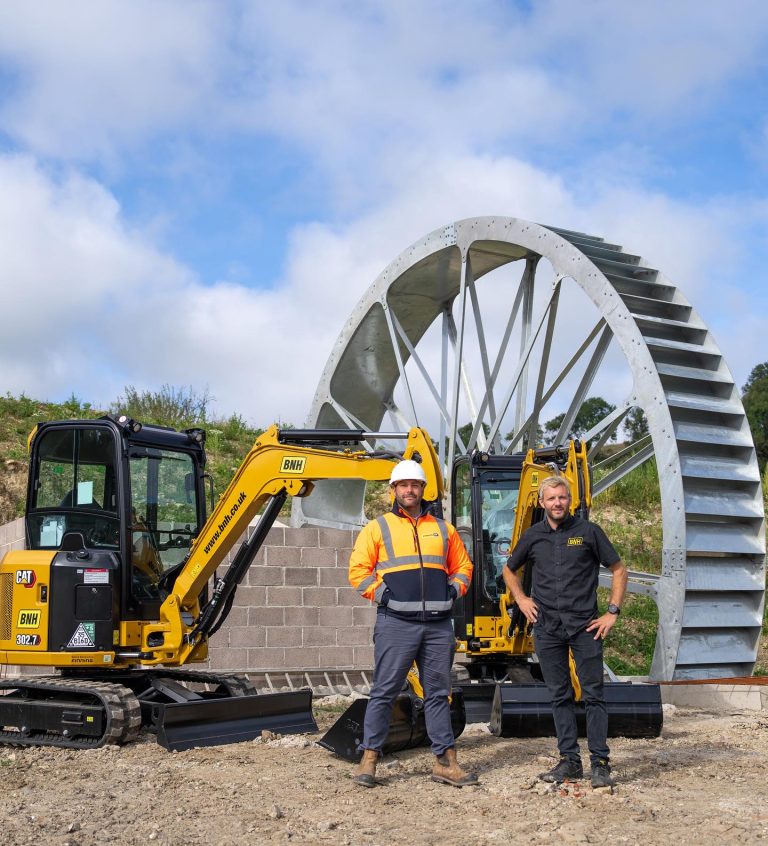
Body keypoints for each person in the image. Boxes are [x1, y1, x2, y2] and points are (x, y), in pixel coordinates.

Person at [348, 458, 478, 789]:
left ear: (423, 489)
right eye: (403, 485)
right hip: (396, 624)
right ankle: (369, 760)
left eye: (415, 485)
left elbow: (463, 567)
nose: (409, 489)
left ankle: (445, 763)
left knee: (438, 693)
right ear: (394, 489)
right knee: (384, 691)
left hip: (437, 627)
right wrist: (387, 598)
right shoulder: (378, 528)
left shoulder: (444, 529)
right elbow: (358, 572)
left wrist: (452, 591)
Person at [502, 475, 628, 789]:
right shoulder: (533, 536)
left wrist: (612, 613)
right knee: (559, 696)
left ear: (568, 500)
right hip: (547, 629)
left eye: (562, 497)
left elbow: (619, 569)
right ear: (542, 503)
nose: (557, 503)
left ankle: (600, 763)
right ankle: (569, 761)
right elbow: (509, 569)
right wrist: (521, 598)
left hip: (586, 627)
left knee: (594, 696)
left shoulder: (589, 532)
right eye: (551, 498)